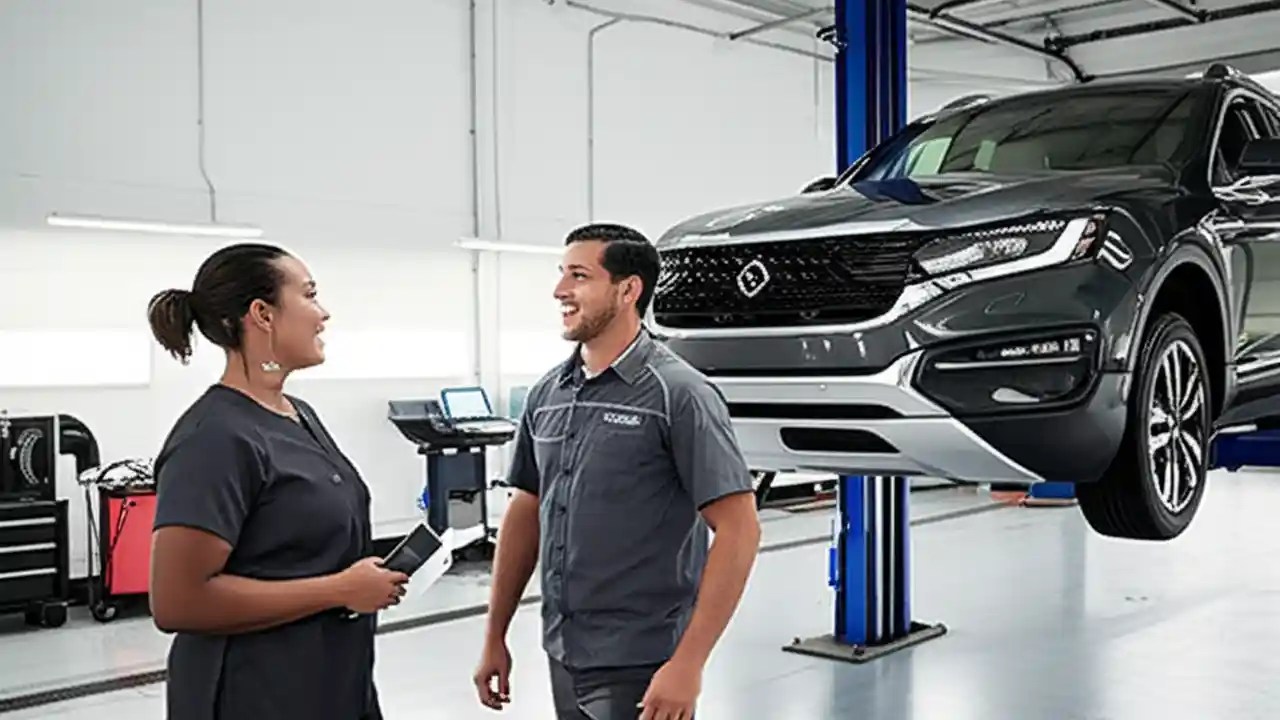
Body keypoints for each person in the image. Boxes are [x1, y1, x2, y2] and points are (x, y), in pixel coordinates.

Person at [473, 223, 762, 720]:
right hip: (564, 651)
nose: (560, 290)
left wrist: (688, 664)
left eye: (579, 276)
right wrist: (494, 635)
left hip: (645, 658)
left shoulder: (679, 394)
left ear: (628, 290)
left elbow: (739, 529)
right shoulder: (548, 394)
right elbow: (527, 507)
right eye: (562, 274)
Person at [145, 242, 408, 720]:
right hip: (253, 694)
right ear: (262, 314)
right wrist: (338, 589)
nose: (323, 313)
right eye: (309, 295)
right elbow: (177, 600)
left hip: (332, 683)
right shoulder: (215, 438)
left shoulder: (296, 415)